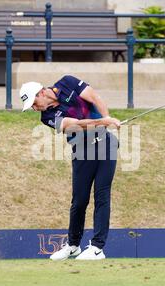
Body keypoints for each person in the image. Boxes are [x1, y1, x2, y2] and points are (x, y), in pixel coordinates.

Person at [20, 75, 120, 261]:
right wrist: (103, 122)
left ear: (41, 92)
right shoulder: (47, 117)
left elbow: (95, 98)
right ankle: (73, 246)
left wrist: (107, 118)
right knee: (79, 201)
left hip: (106, 145)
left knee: (102, 195)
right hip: (82, 151)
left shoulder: (68, 82)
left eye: (34, 103)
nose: (34, 108)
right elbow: (75, 125)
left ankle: (97, 248)